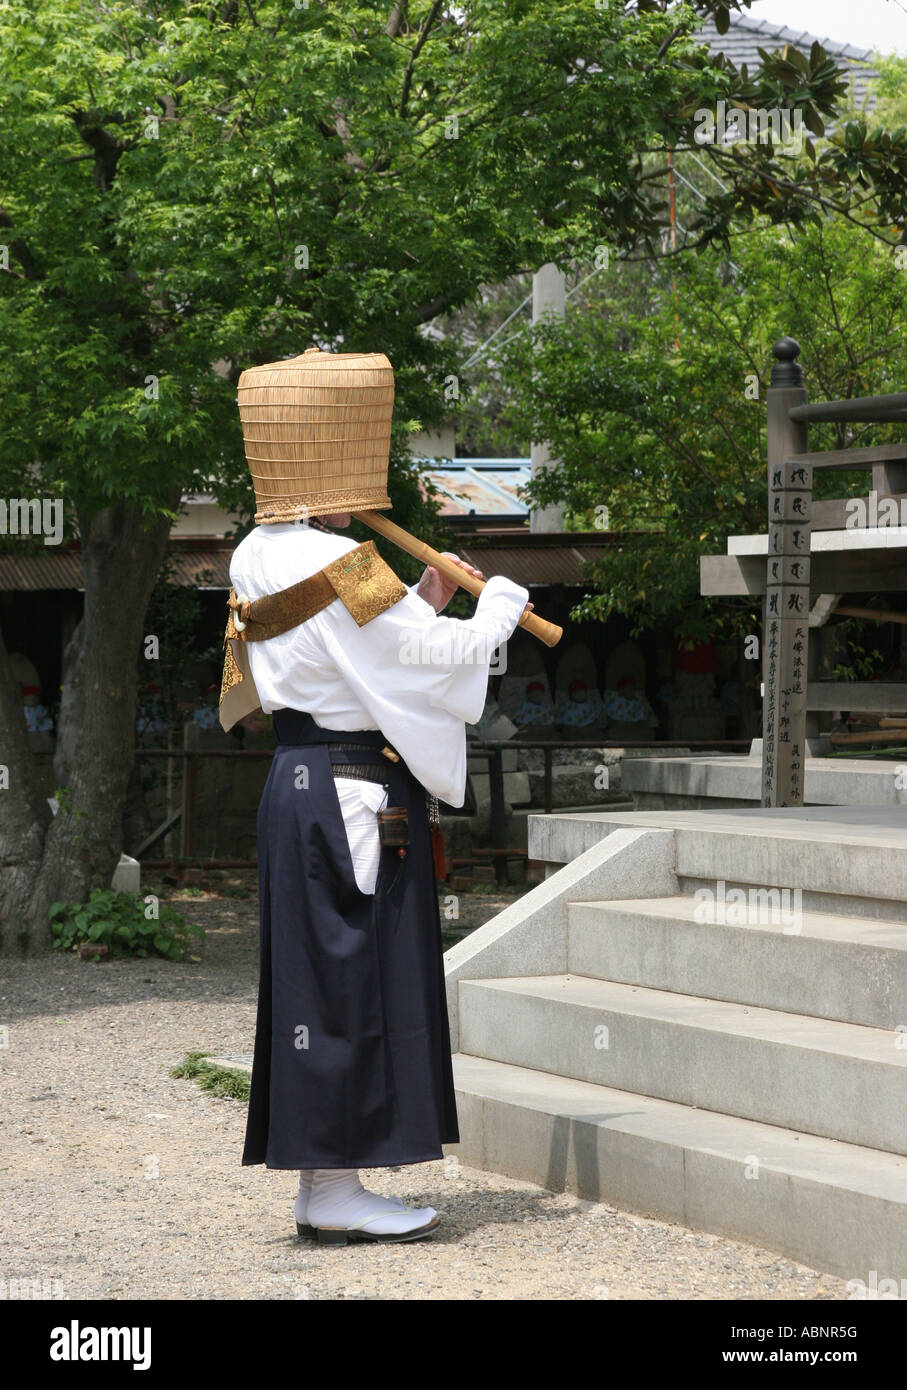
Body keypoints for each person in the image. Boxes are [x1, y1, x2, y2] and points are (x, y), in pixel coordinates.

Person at [219, 348, 531, 1244]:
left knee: (327, 982)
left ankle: (328, 1181)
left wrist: (421, 602)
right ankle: (332, 1187)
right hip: (351, 787)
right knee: (348, 981)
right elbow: (419, 663)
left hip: (300, 783)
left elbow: (355, 658)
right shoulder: (340, 556)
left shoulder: (256, 550)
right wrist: (496, 611)